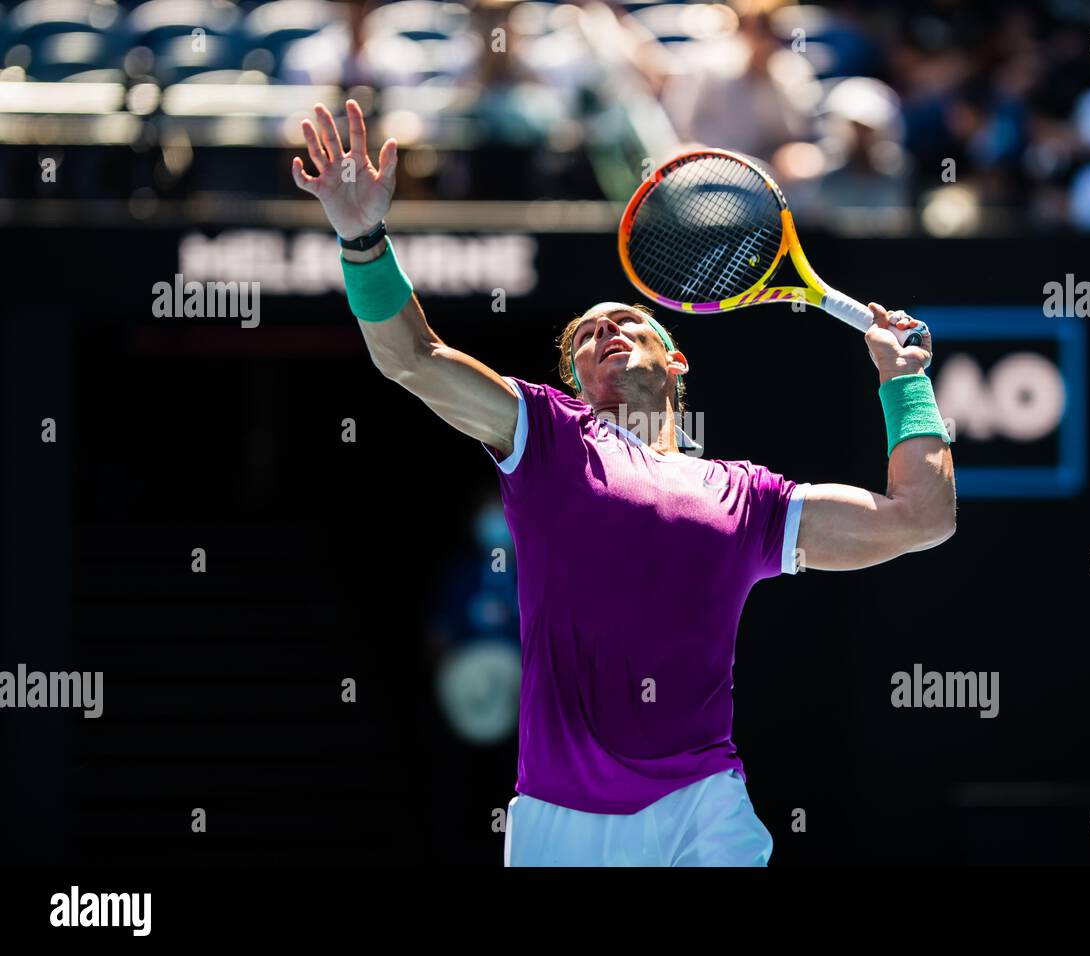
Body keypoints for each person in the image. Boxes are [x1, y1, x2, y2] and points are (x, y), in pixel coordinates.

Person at [292, 100, 956, 866]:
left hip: (702, 806)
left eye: (625, 324)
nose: (603, 332)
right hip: (555, 823)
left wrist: (904, 381)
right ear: (574, 381)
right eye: (584, 338)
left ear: (676, 363)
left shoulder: (750, 500)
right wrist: (362, 239)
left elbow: (921, 517)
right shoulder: (545, 437)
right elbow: (411, 359)